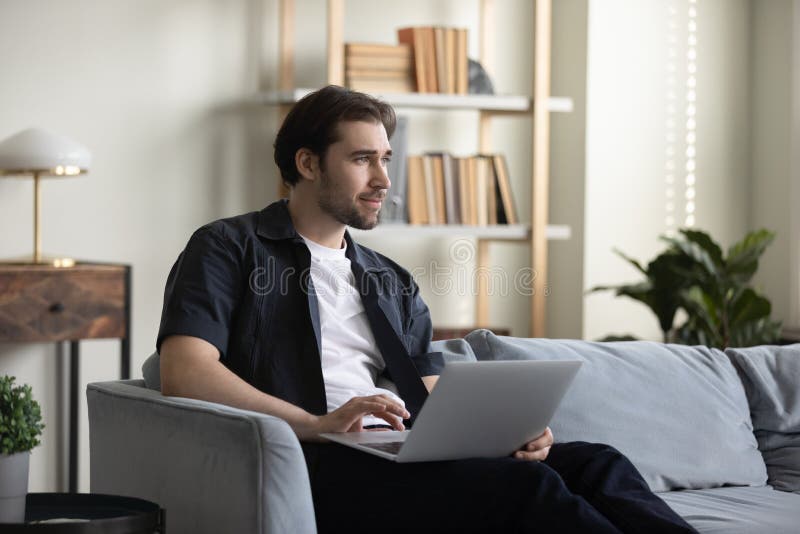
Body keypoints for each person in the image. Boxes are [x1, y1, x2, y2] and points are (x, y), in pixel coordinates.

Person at [157, 85, 697, 533]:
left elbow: (427, 388)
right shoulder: (229, 247)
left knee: (599, 463)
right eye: (363, 159)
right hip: (318, 459)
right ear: (308, 163)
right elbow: (185, 371)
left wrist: (505, 431)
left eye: (386, 159)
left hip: (400, 451)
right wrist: (317, 424)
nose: (385, 181)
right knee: (528, 488)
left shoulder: (388, 279)